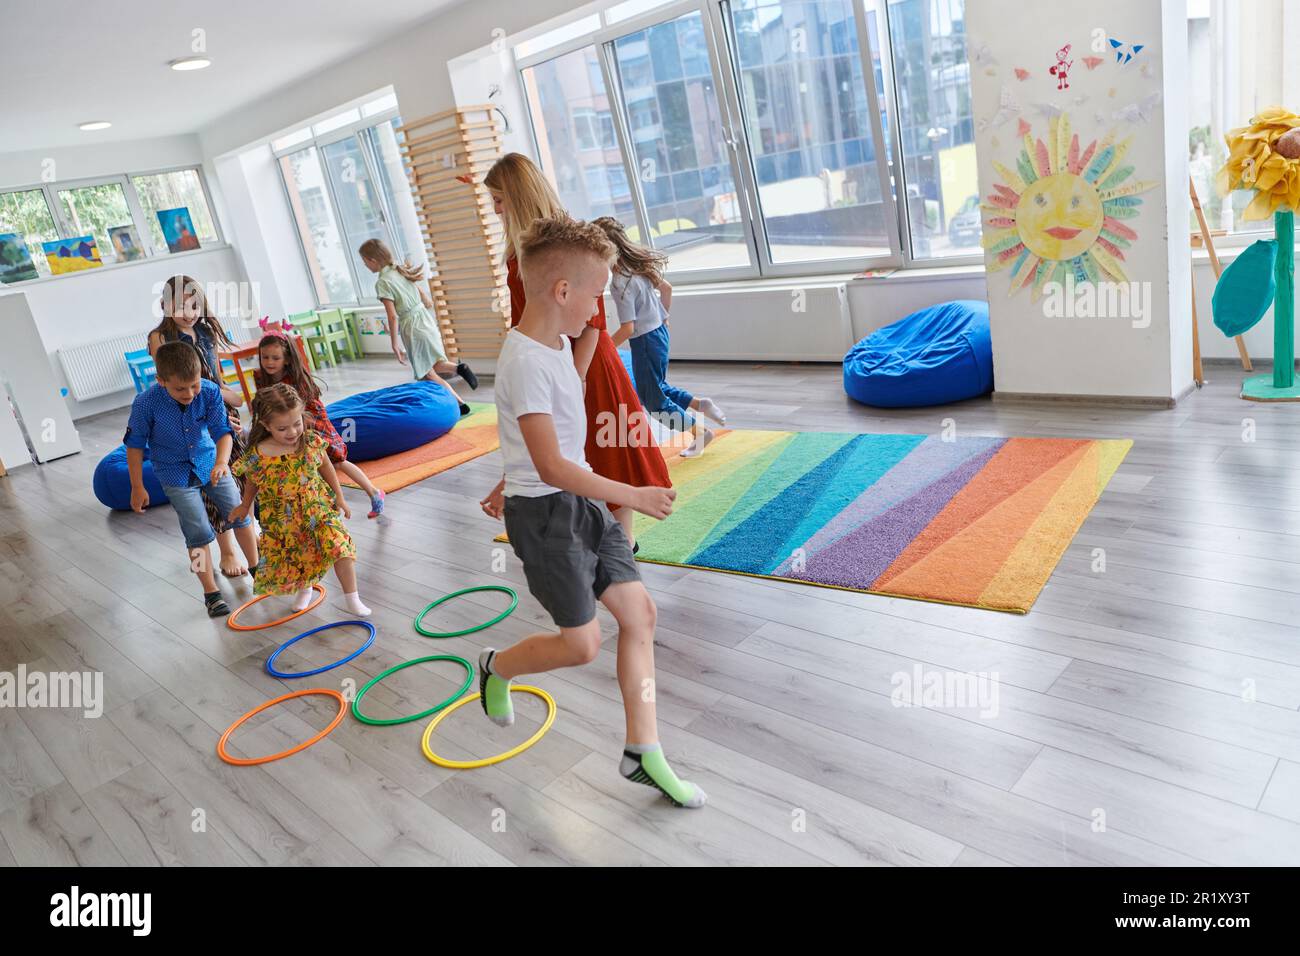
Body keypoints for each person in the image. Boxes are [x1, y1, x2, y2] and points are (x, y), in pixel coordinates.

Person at [478, 214, 705, 809]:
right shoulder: (524, 360)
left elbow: (546, 431)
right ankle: (496, 667)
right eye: (596, 294)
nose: (599, 309)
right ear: (561, 291)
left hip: (580, 503)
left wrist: (508, 472)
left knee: (640, 615)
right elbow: (551, 467)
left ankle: (644, 751)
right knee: (582, 645)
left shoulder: (554, 345)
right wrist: (633, 495)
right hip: (548, 516)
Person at [483, 153, 670, 550]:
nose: (495, 209)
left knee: (609, 448)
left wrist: (577, 376)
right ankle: (606, 539)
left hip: (586, 364)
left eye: (499, 199)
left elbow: (593, 321)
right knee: (578, 449)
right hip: (556, 361)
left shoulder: (559, 246)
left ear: (517, 194)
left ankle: (624, 543)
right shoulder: (522, 251)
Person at [124, 342, 259, 618]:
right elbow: (134, 446)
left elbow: (222, 431)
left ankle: (259, 571)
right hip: (174, 473)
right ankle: (211, 593)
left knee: (240, 513)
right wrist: (137, 486)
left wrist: (223, 462)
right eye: (180, 389)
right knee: (196, 530)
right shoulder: (145, 404)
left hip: (210, 462)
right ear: (161, 381)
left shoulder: (208, 391)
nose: (189, 393)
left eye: (194, 386)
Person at [230, 383, 370, 618]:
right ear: (266, 425)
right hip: (283, 519)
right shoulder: (259, 452)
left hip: (318, 509)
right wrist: (245, 506)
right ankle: (305, 589)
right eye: (283, 428)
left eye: (297, 424)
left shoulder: (310, 441)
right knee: (300, 557)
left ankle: (352, 599)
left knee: (340, 548)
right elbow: (252, 481)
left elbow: (326, 466)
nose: (293, 432)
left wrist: (340, 497)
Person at [594, 216, 727, 458]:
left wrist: (604, 348)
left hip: (644, 342)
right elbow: (667, 289)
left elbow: (628, 328)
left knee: (654, 403)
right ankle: (701, 404)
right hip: (659, 335)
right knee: (658, 388)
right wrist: (663, 317)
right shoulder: (638, 267)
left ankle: (701, 433)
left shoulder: (619, 283)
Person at [148, 274, 251, 577]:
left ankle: (248, 539)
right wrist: (216, 404)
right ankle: (227, 550)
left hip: (217, 407)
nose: (189, 312)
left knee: (234, 481)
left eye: (194, 305)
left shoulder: (205, 332)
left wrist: (231, 401)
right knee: (209, 488)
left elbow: (217, 377)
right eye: (180, 306)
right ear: (164, 305)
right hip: (190, 417)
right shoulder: (160, 338)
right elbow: (175, 386)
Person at [254, 330, 385, 518]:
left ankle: (373, 492)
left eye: (275, 358)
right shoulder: (261, 378)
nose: (269, 362)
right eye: (265, 357)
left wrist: (302, 428)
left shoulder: (297, 378)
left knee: (337, 462)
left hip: (312, 422)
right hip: (292, 427)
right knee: (312, 466)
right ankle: (326, 506)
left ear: (287, 359)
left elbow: (309, 410)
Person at [357, 238, 478, 416]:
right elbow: (419, 292)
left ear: (372, 260)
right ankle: (459, 368)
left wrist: (394, 344)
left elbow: (392, 315)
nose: (366, 266)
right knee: (432, 364)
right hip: (425, 320)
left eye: (365, 262)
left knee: (427, 374)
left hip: (412, 327)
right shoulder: (399, 270)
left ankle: (460, 404)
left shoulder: (382, 282)